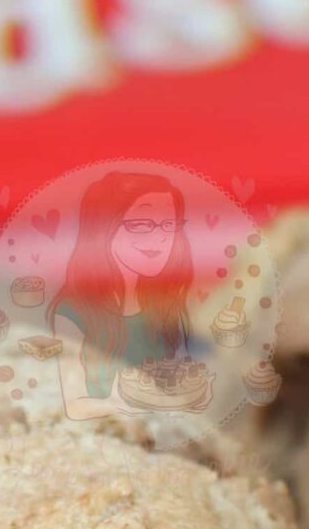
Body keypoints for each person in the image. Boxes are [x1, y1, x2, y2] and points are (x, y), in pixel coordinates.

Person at [48, 168, 210, 421]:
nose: (159, 237)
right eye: (142, 225)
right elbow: (78, 403)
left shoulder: (176, 299)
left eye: (168, 224)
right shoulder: (75, 310)